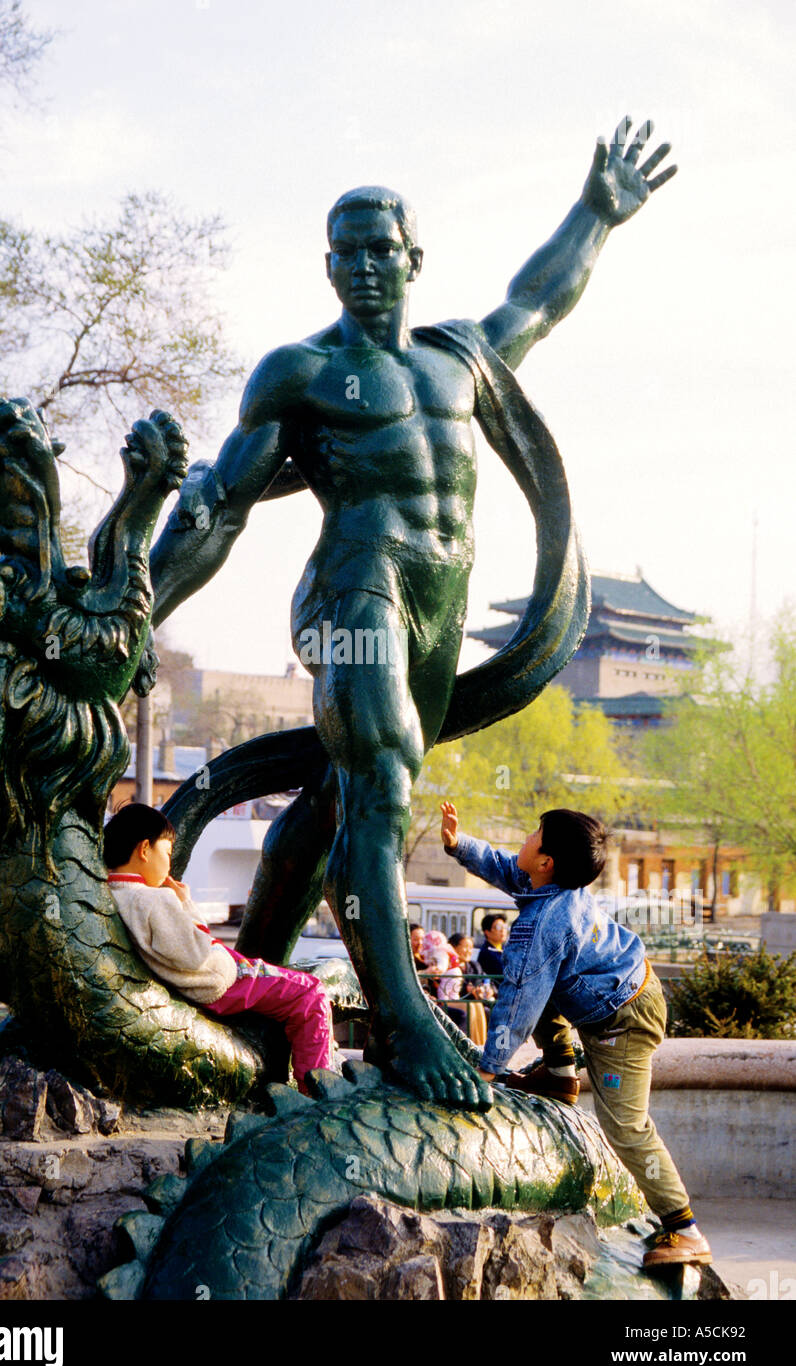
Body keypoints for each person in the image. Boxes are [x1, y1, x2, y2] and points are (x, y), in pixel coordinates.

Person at [147, 121, 677, 1111]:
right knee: (380, 782)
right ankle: (401, 1023)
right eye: (344, 252)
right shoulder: (298, 375)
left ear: (413, 259)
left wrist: (594, 216)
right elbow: (215, 505)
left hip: (439, 605)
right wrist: (143, 606)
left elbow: (537, 299)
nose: (363, 267)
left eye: (380, 249)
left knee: (331, 807)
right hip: (358, 591)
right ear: (326, 265)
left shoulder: (461, 361)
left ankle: (255, 977)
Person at [439, 798, 712, 1270]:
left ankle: (686, 1229)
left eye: (532, 835)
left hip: (622, 1021)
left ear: (546, 862)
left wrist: (487, 1069)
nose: (524, 840)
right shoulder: (547, 884)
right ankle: (560, 1072)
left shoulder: (543, 925)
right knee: (537, 977)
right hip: (618, 992)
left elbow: (517, 1004)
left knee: (626, 1126)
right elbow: (504, 867)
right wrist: (458, 844)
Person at [103, 803, 332, 1095]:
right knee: (311, 992)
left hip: (209, 975)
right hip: (219, 983)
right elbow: (195, 952)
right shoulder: (153, 900)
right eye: (167, 853)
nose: (169, 864)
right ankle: (315, 1094)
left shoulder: (117, 893)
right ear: (144, 850)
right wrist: (186, 902)